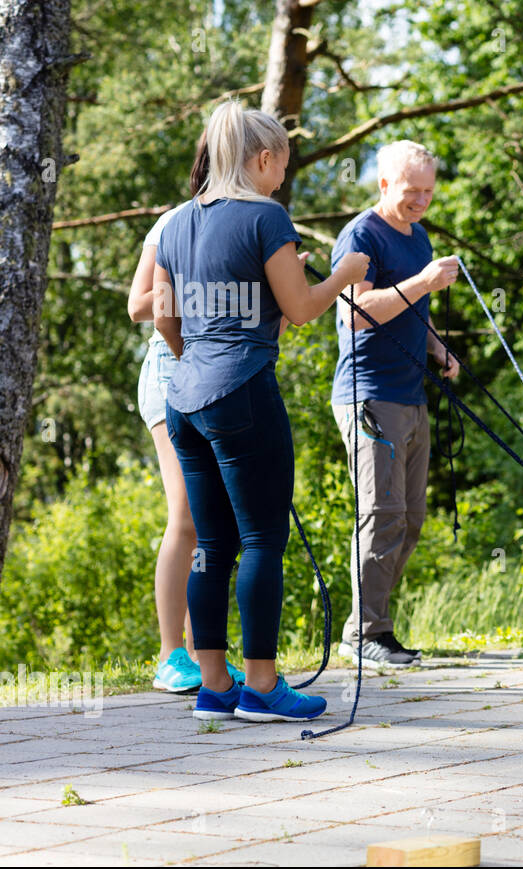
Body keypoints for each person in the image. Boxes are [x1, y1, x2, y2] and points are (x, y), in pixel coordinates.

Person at [153, 100, 368, 721]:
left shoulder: (174, 222)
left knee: (211, 545)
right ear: (264, 159)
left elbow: (167, 317)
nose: (283, 176)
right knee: (262, 541)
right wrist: (345, 274)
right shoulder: (267, 216)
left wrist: (196, 356)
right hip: (243, 391)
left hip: (184, 400)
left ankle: (215, 687)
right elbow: (302, 311)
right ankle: (264, 687)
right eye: (283, 163)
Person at [330, 140, 460, 669]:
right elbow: (355, 312)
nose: (421, 201)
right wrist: (423, 281)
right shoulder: (361, 234)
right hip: (369, 393)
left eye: (428, 191)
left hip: (411, 394)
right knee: (380, 514)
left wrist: (438, 347)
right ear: (384, 185)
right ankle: (362, 634)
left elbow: (415, 309)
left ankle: (377, 629)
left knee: (409, 520)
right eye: (411, 191)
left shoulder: (420, 236)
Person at [126, 132, 244, 693]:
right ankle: (173, 655)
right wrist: (213, 289)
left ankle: (209, 657)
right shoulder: (174, 222)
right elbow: (139, 306)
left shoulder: (252, 221)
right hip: (171, 375)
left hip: (224, 378)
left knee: (219, 524)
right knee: (189, 518)